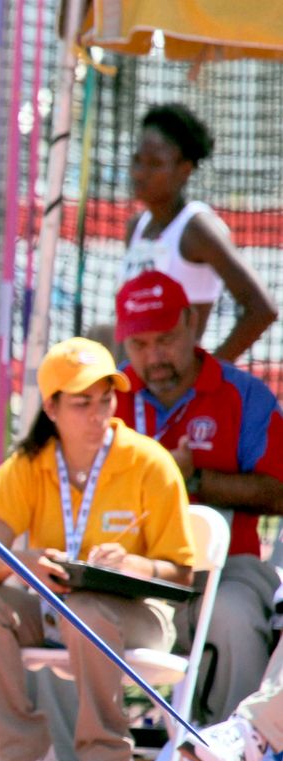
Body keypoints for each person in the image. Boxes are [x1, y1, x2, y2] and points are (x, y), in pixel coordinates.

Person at [0, 337, 196, 761]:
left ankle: (108, 758)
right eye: (82, 403)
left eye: (106, 400)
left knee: (83, 608)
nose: (97, 414)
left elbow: (183, 574)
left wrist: (131, 564)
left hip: (139, 619)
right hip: (52, 612)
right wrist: (23, 560)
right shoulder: (25, 466)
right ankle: (20, 751)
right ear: (51, 407)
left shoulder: (150, 462)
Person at [112, 270, 283, 724]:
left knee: (233, 615)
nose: (154, 357)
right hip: (132, 570)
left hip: (230, 570)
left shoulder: (244, 395)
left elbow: (280, 492)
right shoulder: (109, 399)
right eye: (139, 345)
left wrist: (194, 480)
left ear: (192, 322)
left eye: (165, 339)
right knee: (67, 613)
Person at [118, 103, 278, 362]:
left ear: (185, 169)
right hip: (137, 383)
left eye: (155, 164)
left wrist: (210, 372)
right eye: (137, 161)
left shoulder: (197, 228)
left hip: (174, 385)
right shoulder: (136, 227)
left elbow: (262, 309)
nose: (140, 173)